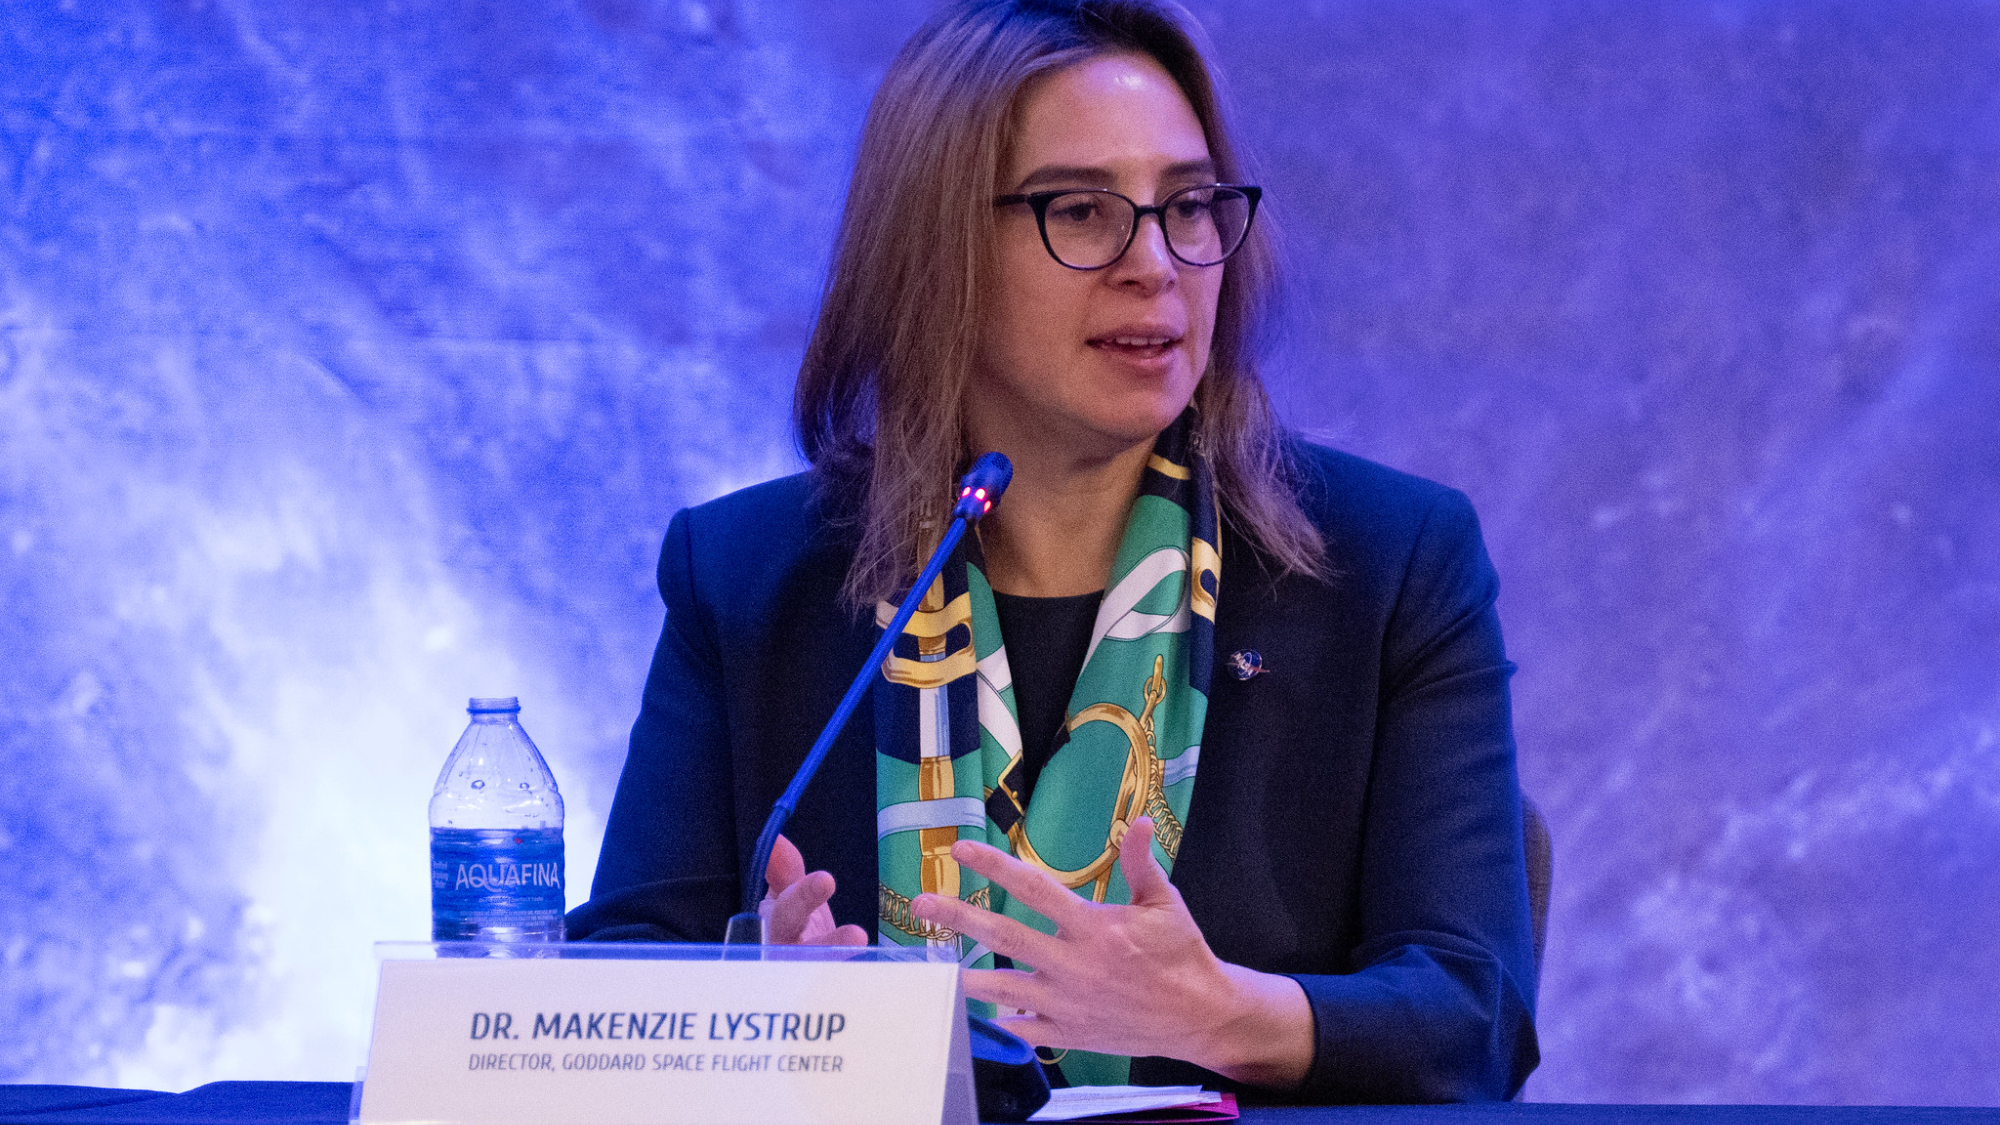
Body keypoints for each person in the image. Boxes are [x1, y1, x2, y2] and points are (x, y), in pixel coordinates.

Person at [567, 0, 1539, 1103]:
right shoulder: (743, 576)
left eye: (1186, 205)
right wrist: (751, 1010)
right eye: (1081, 211)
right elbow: (619, 970)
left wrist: (1221, 1013)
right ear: (931, 251)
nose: (1154, 265)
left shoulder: (1387, 565)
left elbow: (1474, 1011)